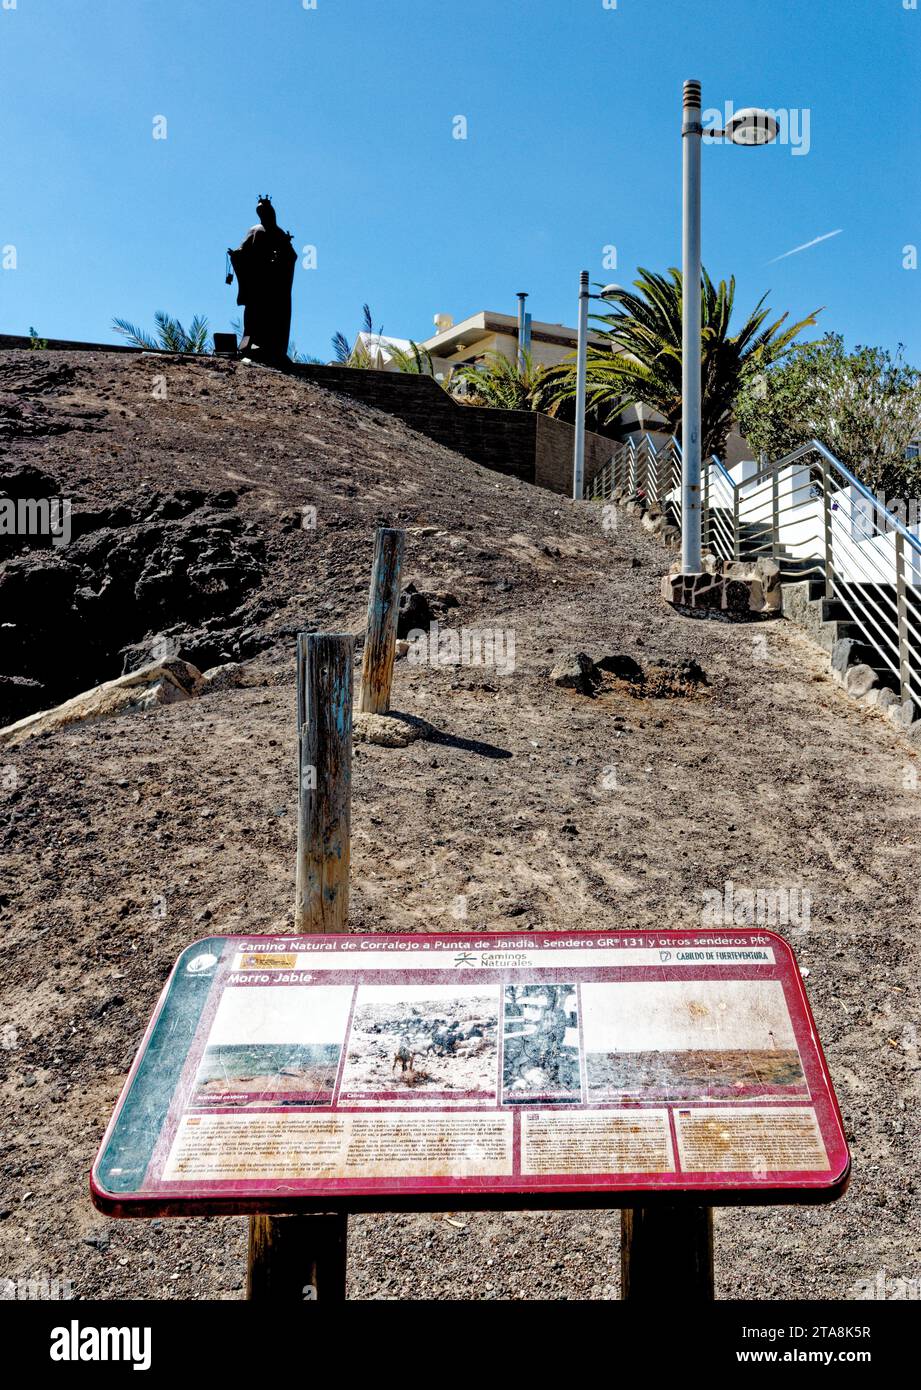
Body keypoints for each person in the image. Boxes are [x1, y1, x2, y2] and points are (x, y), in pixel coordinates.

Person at [228, 195, 297, 362]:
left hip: (276, 284)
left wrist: (283, 251)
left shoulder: (280, 233)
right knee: (255, 314)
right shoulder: (255, 230)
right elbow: (243, 251)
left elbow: (291, 256)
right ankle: (252, 345)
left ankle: (275, 348)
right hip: (258, 282)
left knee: (275, 315)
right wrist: (236, 255)